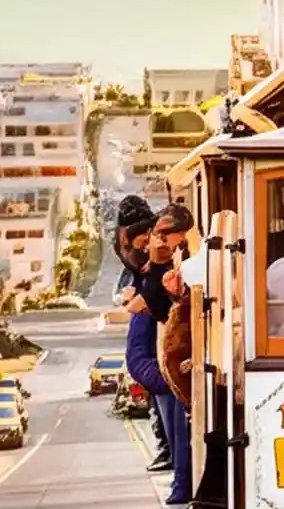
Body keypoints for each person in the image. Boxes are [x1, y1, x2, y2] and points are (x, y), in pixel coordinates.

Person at [125, 205, 195, 506]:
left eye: (171, 237)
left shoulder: (177, 271)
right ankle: (181, 482)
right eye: (159, 234)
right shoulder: (153, 269)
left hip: (172, 363)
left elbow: (147, 306)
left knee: (180, 431)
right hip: (161, 364)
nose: (163, 242)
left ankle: (183, 485)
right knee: (174, 429)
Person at [113, 194, 172, 474]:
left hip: (155, 314)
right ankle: (165, 444)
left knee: (157, 376)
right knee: (151, 375)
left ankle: (167, 446)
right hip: (149, 313)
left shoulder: (152, 256)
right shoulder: (139, 255)